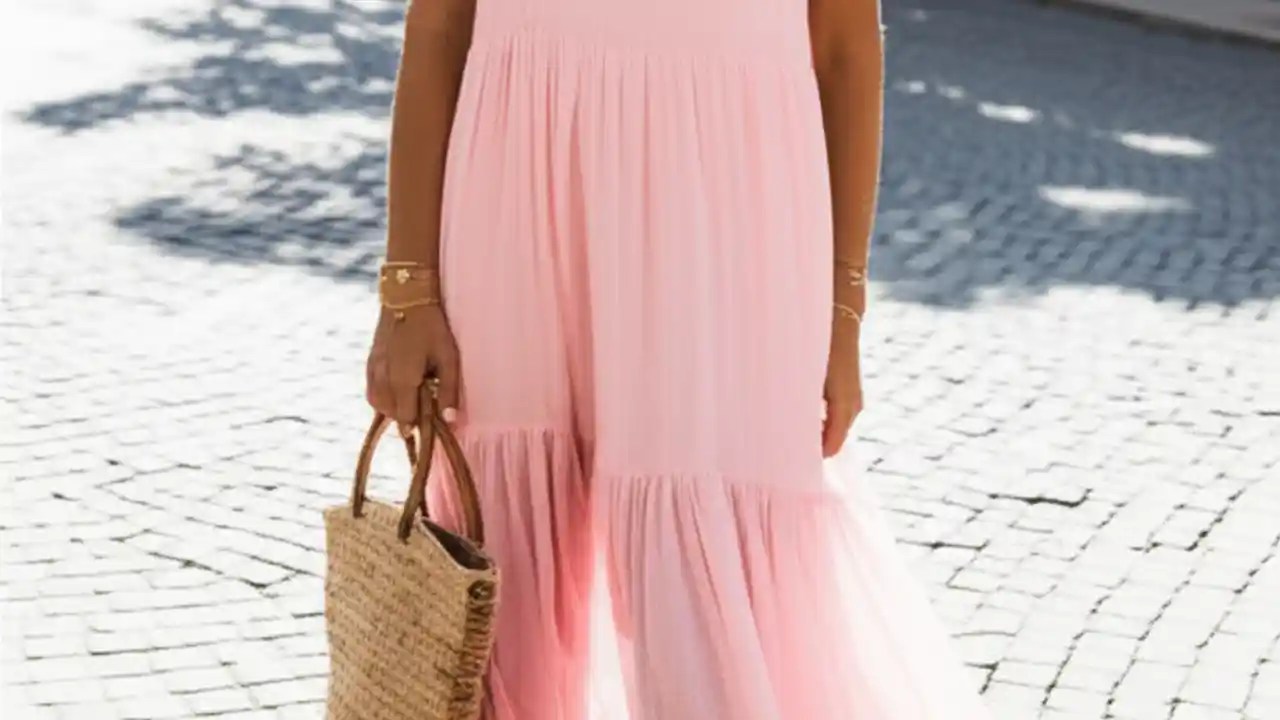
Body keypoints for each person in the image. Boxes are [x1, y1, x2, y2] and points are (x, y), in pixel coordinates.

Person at [366, 0, 993, 717]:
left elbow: (847, 47)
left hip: (729, 220)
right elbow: (441, 22)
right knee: (499, 582)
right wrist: (408, 292)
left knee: (710, 591)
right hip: (515, 194)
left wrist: (843, 311)